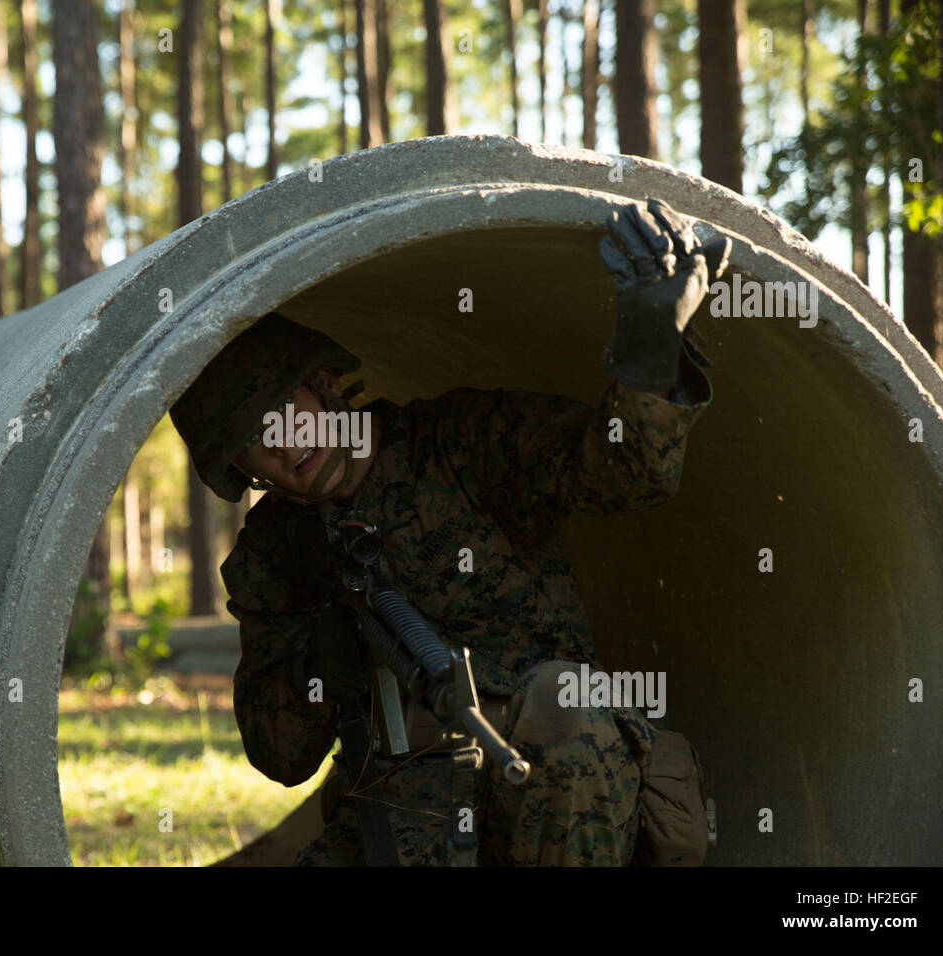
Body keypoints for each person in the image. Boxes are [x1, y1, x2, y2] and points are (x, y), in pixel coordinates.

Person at [172, 199, 727, 866]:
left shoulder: (464, 441)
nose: (286, 446)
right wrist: (323, 661)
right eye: (254, 443)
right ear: (244, 471)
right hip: (401, 811)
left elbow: (626, 474)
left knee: (567, 707)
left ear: (324, 384)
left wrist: (649, 347)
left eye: (283, 413)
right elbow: (278, 756)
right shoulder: (276, 551)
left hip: (545, 792)